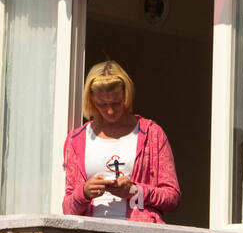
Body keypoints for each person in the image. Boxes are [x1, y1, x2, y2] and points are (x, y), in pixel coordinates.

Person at [62, 60, 180, 223]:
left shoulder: (151, 134)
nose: (110, 111)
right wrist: (84, 192)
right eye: (101, 104)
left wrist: (134, 190)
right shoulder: (77, 140)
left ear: (127, 95)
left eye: (116, 103)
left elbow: (172, 197)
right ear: (91, 100)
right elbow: (68, 208)